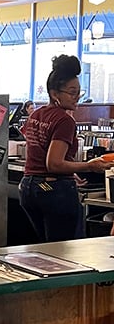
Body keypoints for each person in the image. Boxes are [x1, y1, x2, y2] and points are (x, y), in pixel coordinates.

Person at [19, 54, 107, 242]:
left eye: (79, 92)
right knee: (64, 252)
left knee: (45, 250)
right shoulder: (64, 120)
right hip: (53, 189)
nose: (77, 98)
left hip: (28, 187)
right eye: (72, 92)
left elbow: (38, 151)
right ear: (55, 93)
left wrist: (69, 171)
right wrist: (89, 166)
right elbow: (54, 164)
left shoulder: (36, 114)